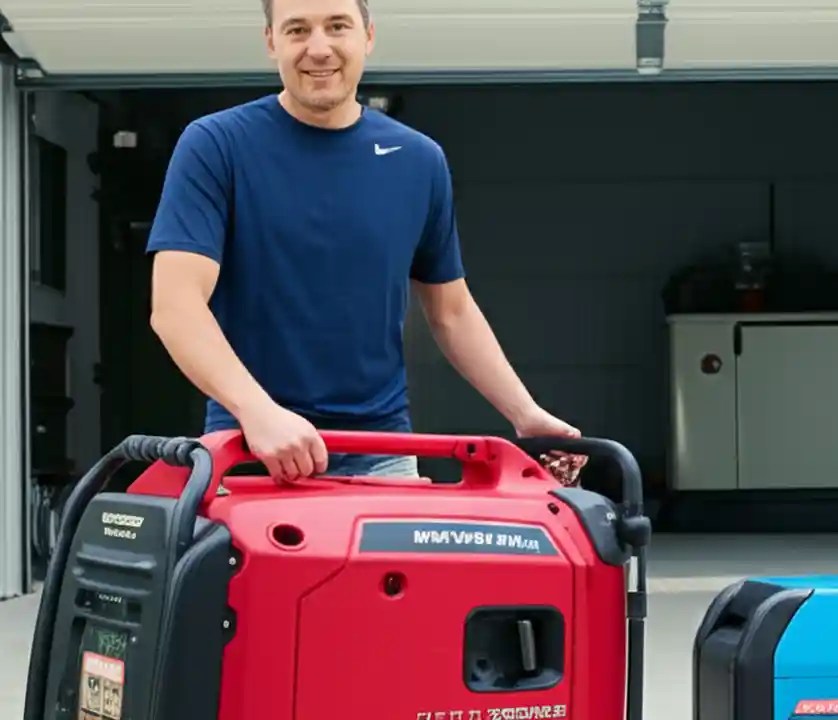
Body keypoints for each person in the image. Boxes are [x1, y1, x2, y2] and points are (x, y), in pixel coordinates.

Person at [145, 0, 581, 482]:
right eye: (297, 30)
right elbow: (176, 307)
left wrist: (525, 413)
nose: (319, 48)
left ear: (368, 36)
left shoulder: (418, 161)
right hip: (251, 449)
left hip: (383, 452)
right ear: (271, 42)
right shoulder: (216, 145)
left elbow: (452, 311)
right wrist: (257, 411)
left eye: (337, 27)